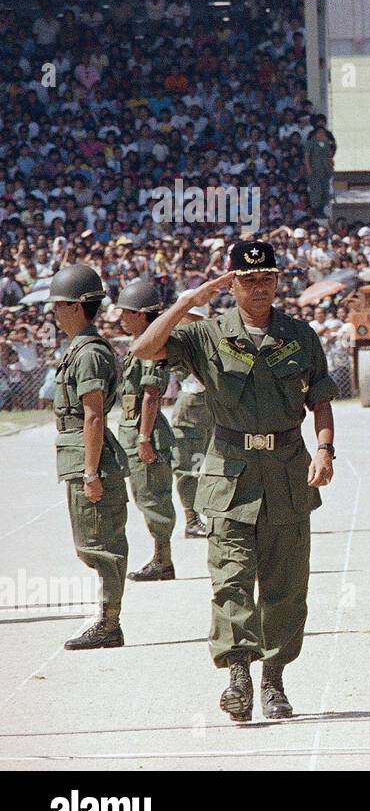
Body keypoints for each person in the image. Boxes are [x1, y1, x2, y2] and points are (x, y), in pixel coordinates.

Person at [131, 240, 339, 723]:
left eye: (267, 278)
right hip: (229, 472)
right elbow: (144, 347)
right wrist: (188, 301)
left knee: (286, 584)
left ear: (279, 281)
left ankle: (274, 679)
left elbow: (321, 398)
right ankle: (239, 674)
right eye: (248, 280)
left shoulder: (299, 334)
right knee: (231, 579)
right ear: (231, 284)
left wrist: (326, 448)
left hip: (288, 469)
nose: (259, 287)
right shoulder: (206, 335)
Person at [48, 264, 131, 650]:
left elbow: (94, 414)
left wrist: (91, 471)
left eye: (60, 305)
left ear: (78, 307)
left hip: (89, 456)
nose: (55, 313)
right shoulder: (80, 349)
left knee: (102, 545)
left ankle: (109, 623)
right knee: (89, 543)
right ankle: (107, 619)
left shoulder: (89, 354)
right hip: (79, 454)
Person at [115, 278, 178, 583]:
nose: (120, 318)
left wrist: (144, 438)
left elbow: (151, 394)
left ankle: (163, 561)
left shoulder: (153, 346)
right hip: (136, 429)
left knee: (153, 497)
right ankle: (159, 557)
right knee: (143, 495)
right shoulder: (140, 344)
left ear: (141, 315)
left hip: (146, 432)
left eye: (125, 313)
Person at [170, 303, 215, 539]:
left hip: (205, 412)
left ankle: (199, 517)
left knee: (201, 468)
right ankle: (192, 519)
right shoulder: (180, 343)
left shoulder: (201, 341)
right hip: (190, 414)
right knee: (188, 469)